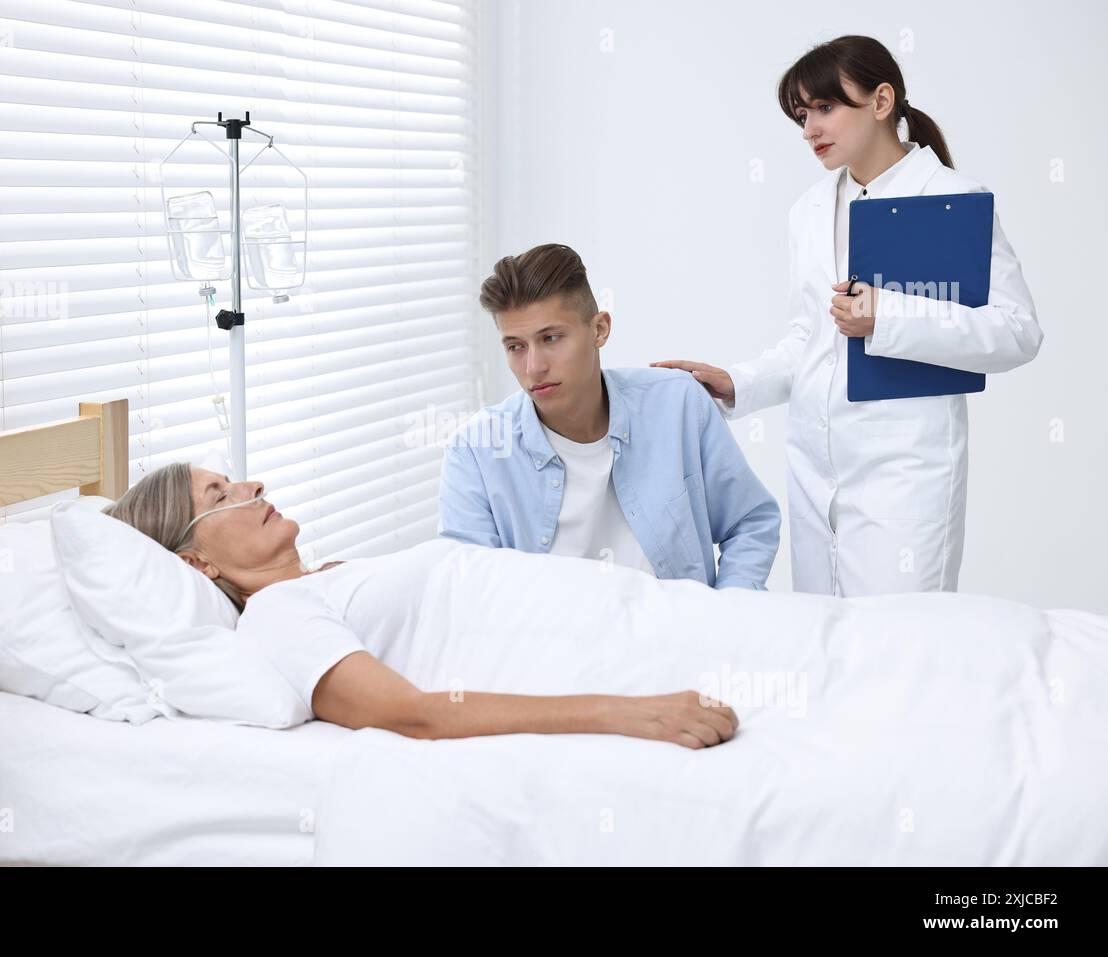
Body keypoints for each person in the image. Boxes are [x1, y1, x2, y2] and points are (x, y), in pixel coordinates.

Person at [652, 35, 1042, 596]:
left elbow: (1018, 331)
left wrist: (888, 315)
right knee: (825, 654)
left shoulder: (955, 198)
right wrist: (736, 382)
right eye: (802, 114)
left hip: (906, 475)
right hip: (814, 475)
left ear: (882, 101)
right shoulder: (808, 211)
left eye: (826, 108)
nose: (810, 128)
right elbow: (809, 337)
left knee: (900, 653)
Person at [103, 463, 740, 750]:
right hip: (621, 663)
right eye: (222, 493)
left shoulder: (322, 582)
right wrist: (634, 713)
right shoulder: (277, 617)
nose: (253, 485)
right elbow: (414, 717)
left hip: (636, 616)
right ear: (195, 564)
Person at [438, 243, 780, 589]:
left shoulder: (678, 405)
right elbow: (471, 588)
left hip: (675, 637)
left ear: (599, 329)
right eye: (515, 346)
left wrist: (725, 615)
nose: (534, 367)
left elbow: (749, 522)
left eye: (551, 338)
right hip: (547, 640)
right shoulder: (475, 451)